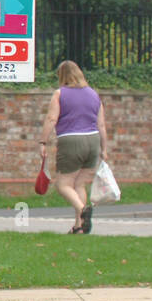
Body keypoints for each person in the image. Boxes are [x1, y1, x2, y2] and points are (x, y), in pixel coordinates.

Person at [39, 60, 108, 233]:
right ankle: (79, 227)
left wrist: (43, 141)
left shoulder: (60, 93)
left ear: (62, 76)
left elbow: (51, 119)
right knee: (79, 184)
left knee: (62, 185)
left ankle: (82, 209)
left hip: (71, 141)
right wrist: (104, 149)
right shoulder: (94, 94)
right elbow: (102, 125)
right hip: (93, 140)